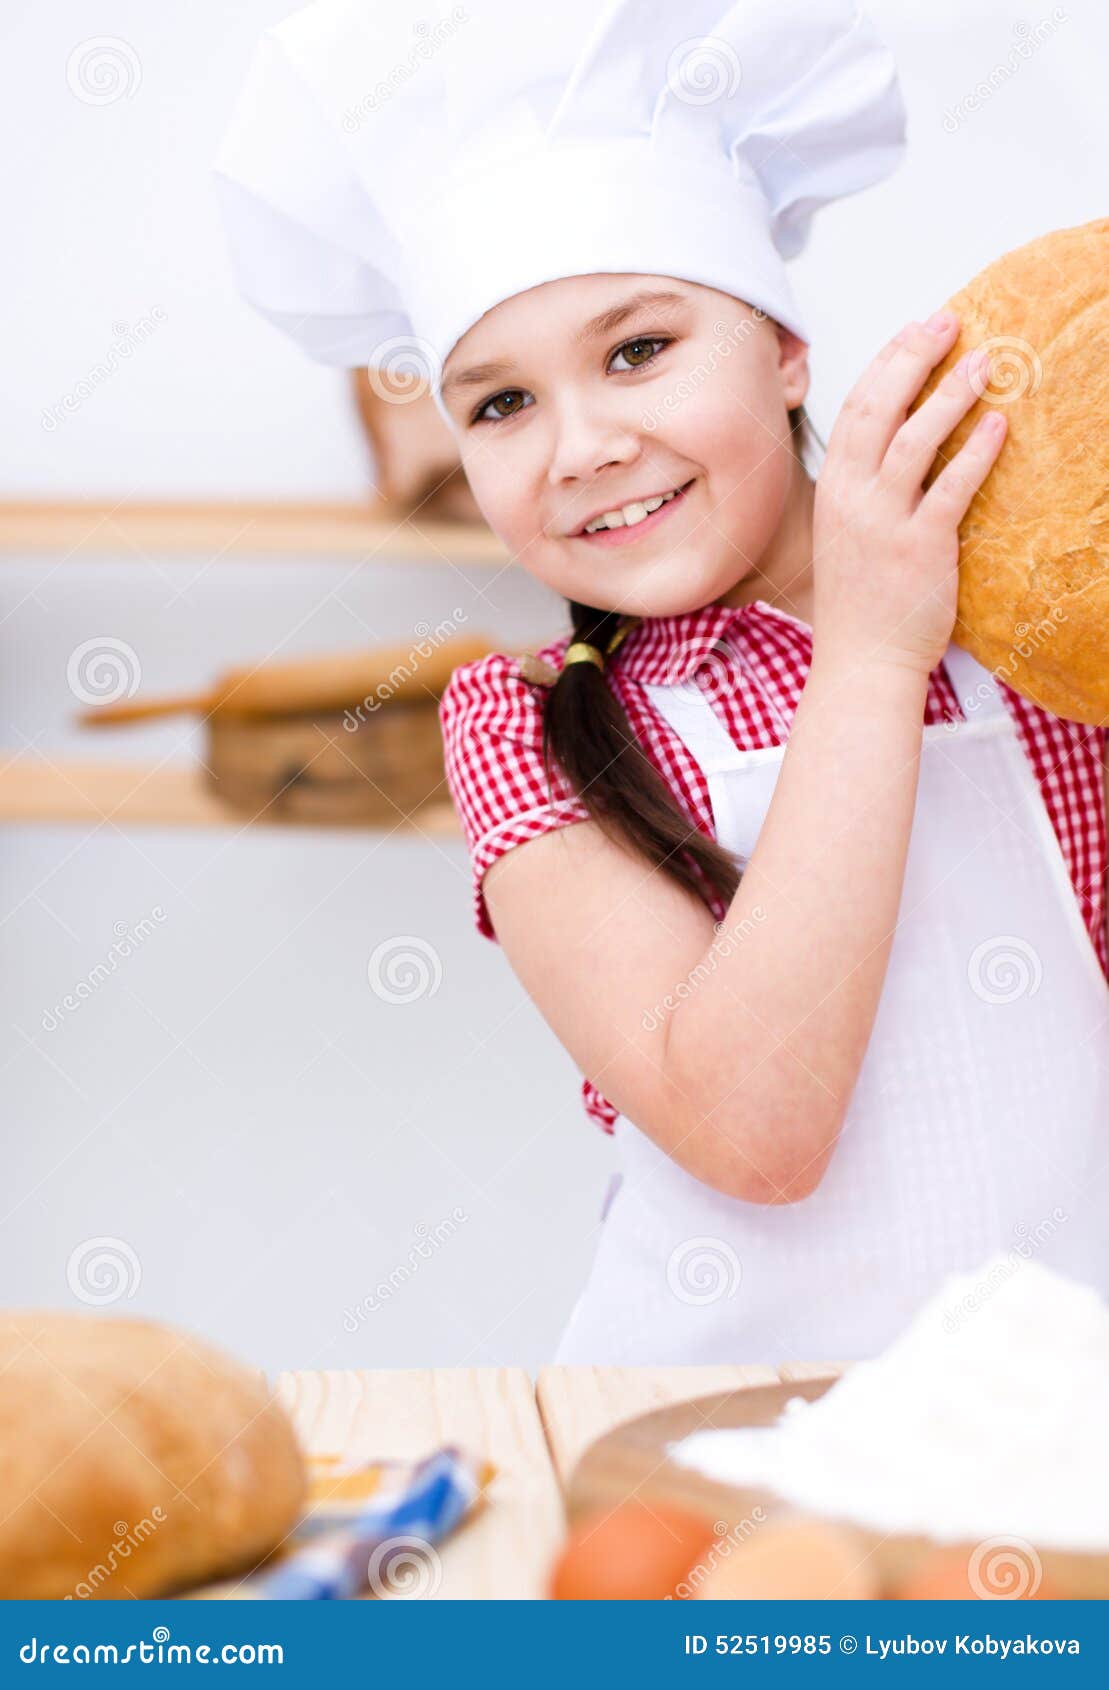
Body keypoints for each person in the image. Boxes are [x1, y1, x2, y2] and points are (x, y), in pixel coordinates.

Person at [214, 0, 1108, 1364]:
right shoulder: (521, 726)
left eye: (637, 351)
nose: (579, 447)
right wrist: (872, 653)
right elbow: (756, 1129)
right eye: (500, 403)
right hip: (711, 1441)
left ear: (787, 349)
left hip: (1053, 1428)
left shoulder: (1034, 627)